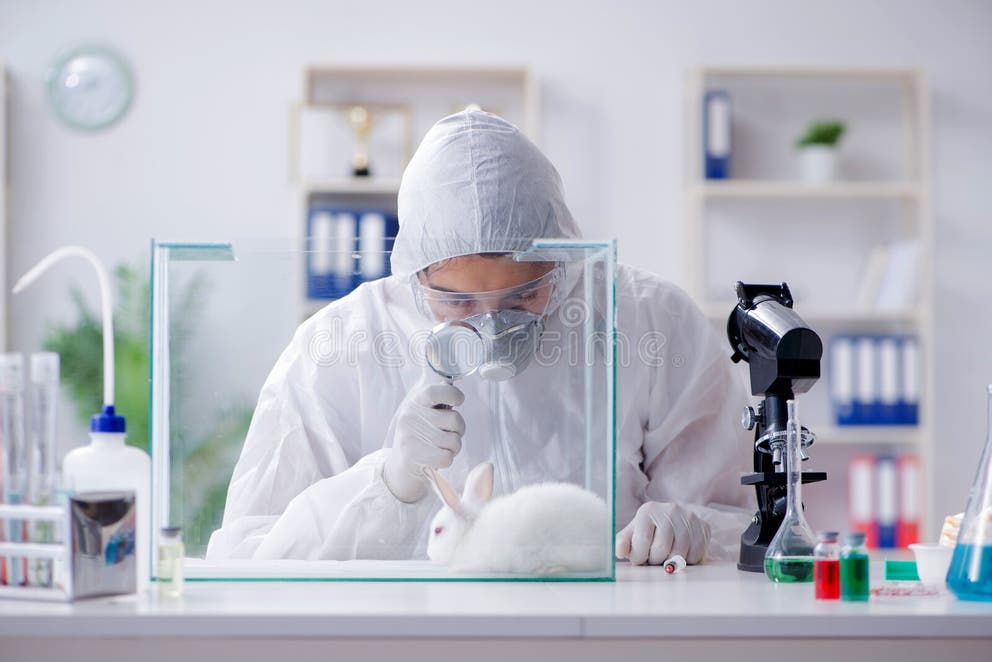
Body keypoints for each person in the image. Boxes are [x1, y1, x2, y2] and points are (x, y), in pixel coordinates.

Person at [206, 110, 753, 565]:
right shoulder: (340, 345)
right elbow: (250, 553)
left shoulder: (650, 319)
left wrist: (690, 528)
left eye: (523, 295)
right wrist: (389, 483)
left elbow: (742, 524)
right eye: (458, 302)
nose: (492, 326)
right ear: (416, 275)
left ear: (561, 263)